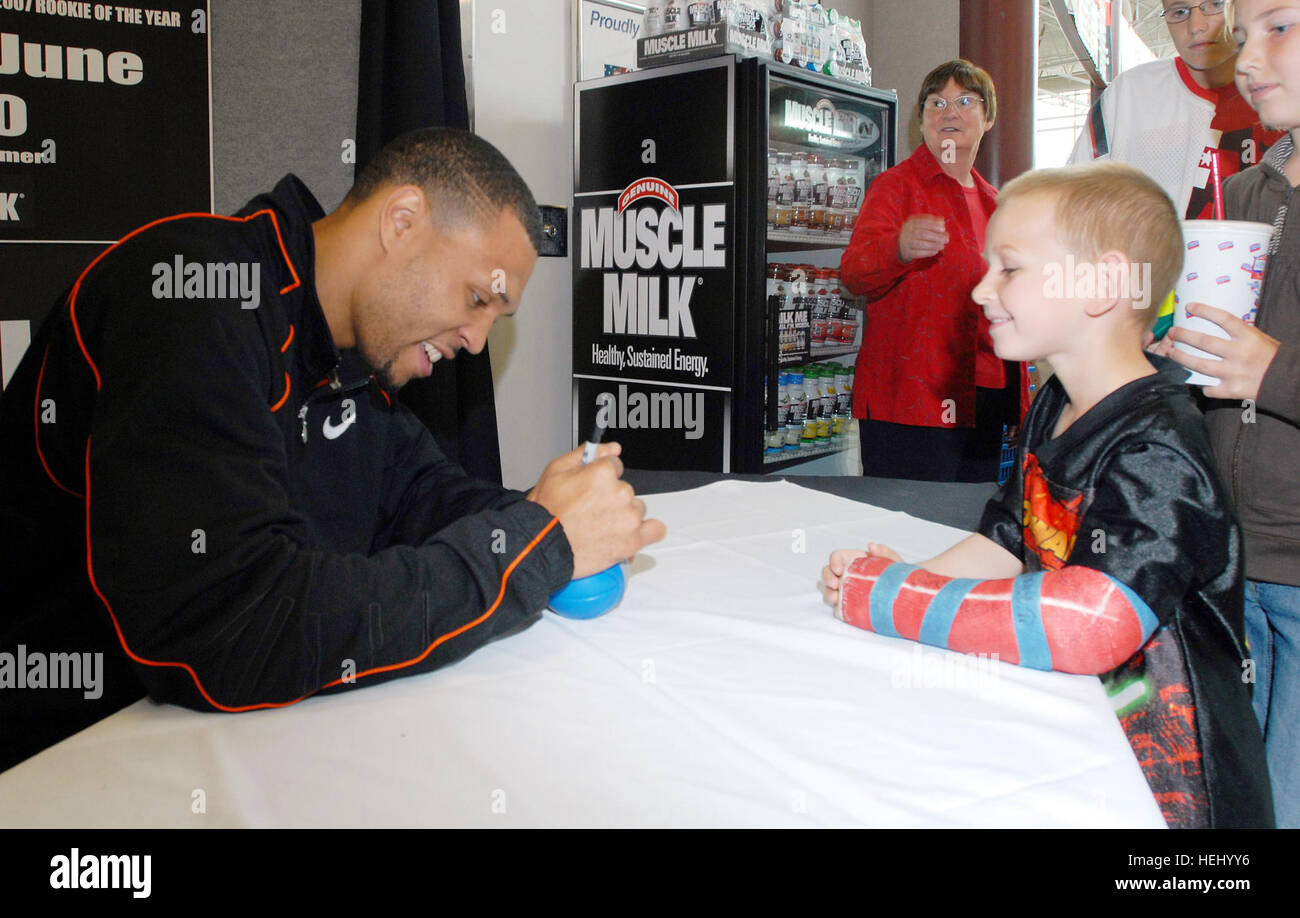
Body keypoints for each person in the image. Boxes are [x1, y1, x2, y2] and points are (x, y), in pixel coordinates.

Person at [0, 127, 665, 772]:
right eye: (476, 298)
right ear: (401, 221)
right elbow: (234, 624)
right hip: (60, 762)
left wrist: (556, 516)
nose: (475, 341)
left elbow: (420, 496)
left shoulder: (349, 355)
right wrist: (535, 544)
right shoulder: (192, 292)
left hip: (210, 745)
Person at [822, 162, 1273, 828]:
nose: (980, 290)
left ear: (1103, 285)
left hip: (1171, 790)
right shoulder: (1054, 405)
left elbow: (1089, 622)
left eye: (1009, 269)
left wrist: (893, 598)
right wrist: (909, 575)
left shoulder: (1158, 444)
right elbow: (1009, 536)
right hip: (1088, 747)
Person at [1157, 0, 1300, 829]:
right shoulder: (1243, 190)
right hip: (1234, 558)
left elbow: (1263, 366)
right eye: (1242, 36)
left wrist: (1274, 372)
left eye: (1279, 26)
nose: (1247, 57)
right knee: (1234, 799)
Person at [840, 59, 1026, 483]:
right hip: (909, 401)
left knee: (967, 532)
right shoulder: (896, 187)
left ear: (989, 117)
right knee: (906, 534)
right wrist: (898, 248)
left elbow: (1012, 307)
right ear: (921, 120)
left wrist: (1018, 403)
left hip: (985, 402)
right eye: (936, 103)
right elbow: (853, 275)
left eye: (964, 101)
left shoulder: (998, 203)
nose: (949, 112)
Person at [1070, 0, 1284, 339]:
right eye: (1180, 12)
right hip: (1152, 327)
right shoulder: (1130, 97)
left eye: (1213, 6)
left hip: (1266, 324)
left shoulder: (1281, 101)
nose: (1197, 26)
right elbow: (1074, 208)